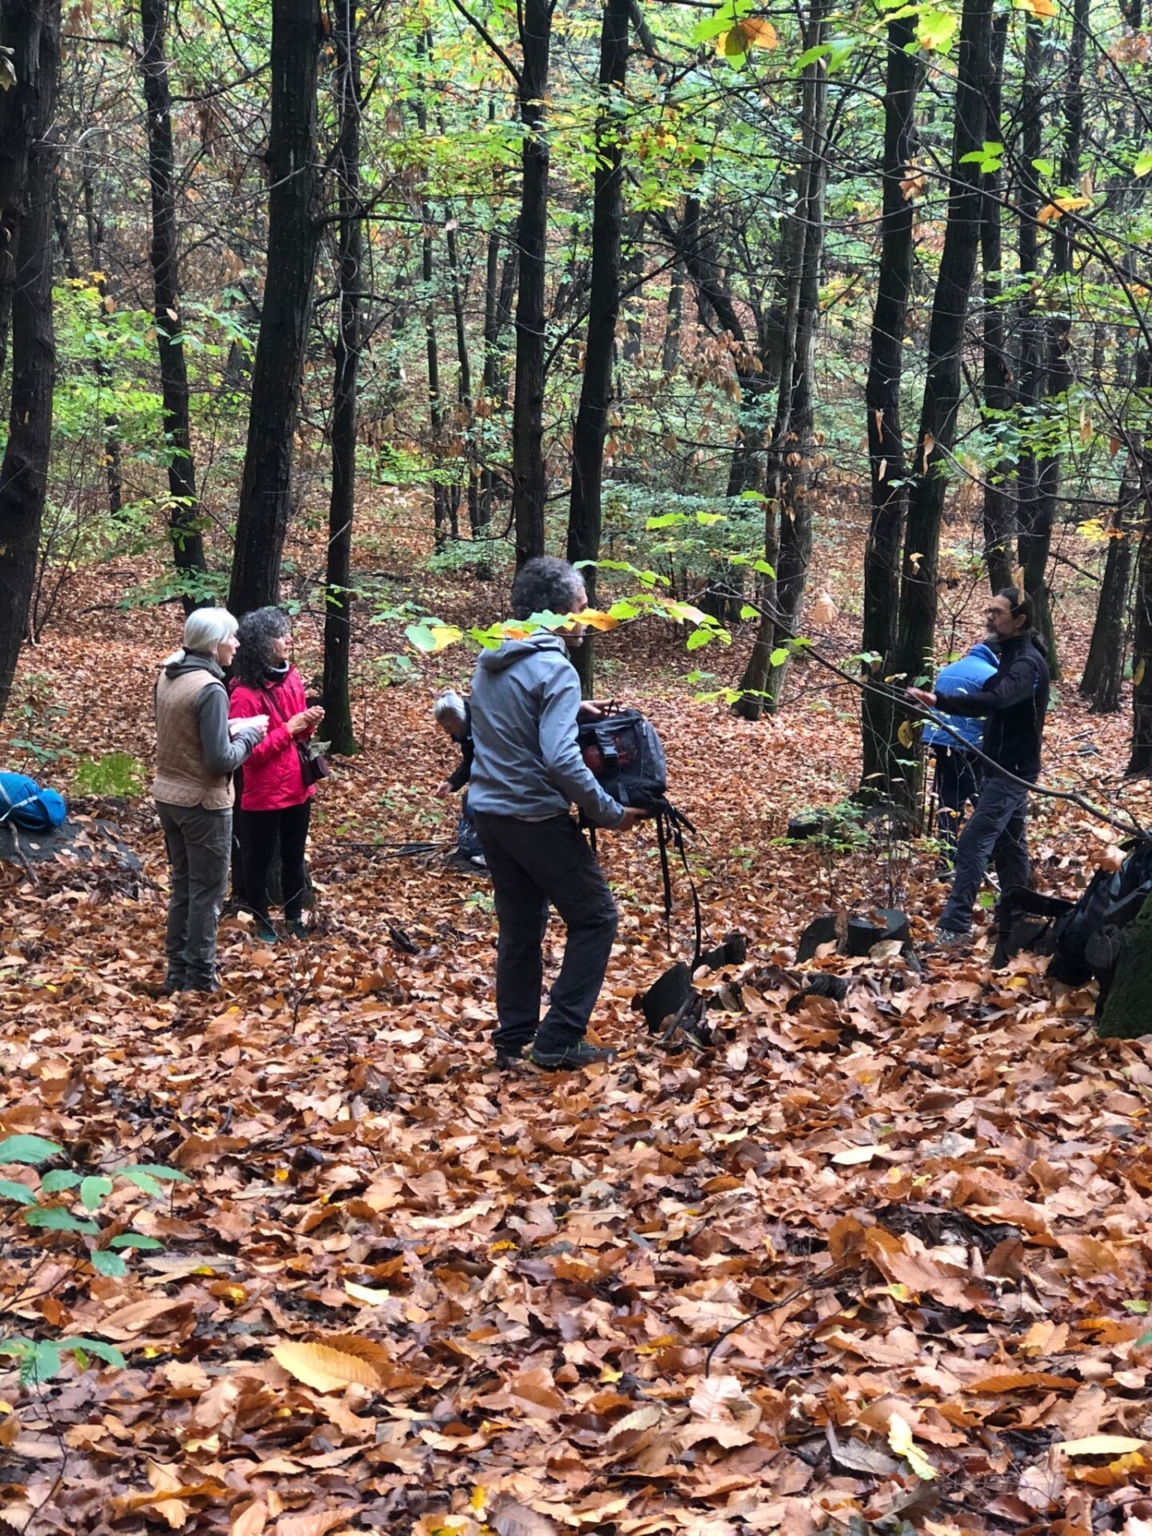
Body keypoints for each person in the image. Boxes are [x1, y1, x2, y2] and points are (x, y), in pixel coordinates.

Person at [468, 556, 644, 1071]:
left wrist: (573, 708)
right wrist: (610, 813)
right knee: (596, 918)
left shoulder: (492, 657)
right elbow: (559, 757)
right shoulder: (556, 669)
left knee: (521, 928)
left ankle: (513, 1038)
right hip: (535, 818)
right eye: (583, 608)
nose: (588, 619)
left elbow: (500, 722)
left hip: (490, 815)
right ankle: (558, 1038)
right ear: (559, 611)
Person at [907, 588, 1050, 946]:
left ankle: (954, 929)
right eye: (988, 610)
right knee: (1011, 844)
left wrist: (941, 700)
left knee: (972, 843)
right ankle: (1016, 922)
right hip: (1001, 765)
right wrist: (942, 700)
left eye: (997, 613)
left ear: (1019, 621)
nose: (989, 617)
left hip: (1012, 770)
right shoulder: (1010, 657)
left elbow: (998, 699)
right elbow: (987, 700)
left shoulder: (1026, 663)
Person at [153, 608, 267, 994]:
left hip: (169, 797)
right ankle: (201, 978)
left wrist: (232, 728)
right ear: (214, 643)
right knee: (207, 892)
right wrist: (250, 736)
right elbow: (220, 760)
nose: (236, 644)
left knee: (183, 886)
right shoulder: (211, 689)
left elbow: (187, 734)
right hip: (204, 802)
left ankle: (176, 973)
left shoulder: (170, 676)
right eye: (231, 637)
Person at [228, 607, 324, 943]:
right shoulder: (242, 695)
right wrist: (290, 728)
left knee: (294, 857)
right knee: (257, 861)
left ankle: (294, 919)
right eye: (280, 635)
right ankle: (262, 921)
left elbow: (297, 735)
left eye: (287, 632)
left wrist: (307, 724)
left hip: (298, 786)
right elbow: (248, 755)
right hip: (263, 793)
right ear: (261, 644)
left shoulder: (293, 678)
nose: (288, 640)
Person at [921, 639, 998, 875]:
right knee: (982, 802)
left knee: (948, 802)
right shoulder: (992, 674)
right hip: (971, 747)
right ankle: (988, 858)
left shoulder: (948, 670)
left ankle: (946, 858)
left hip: (941, 742)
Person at [433, 688, 484, 866]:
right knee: (469, 801)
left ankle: (491, 851)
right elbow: (470, 761)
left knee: (478, 803)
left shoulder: (481, 724)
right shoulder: (464, 731)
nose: (448, 733)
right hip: (489, 774)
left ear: (458, 717)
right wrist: (451, 783)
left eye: (448, 727)